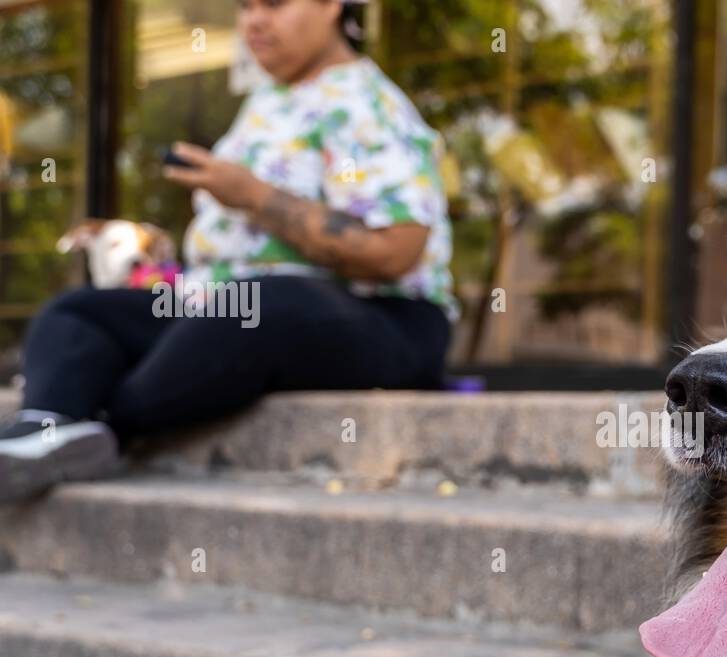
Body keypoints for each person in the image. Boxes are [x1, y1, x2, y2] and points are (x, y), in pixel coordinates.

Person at [0, 0, 456, 502]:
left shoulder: (371, 105)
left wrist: (254, 196)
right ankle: (47, 424)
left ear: (332, 6)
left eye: (275, 4)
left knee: (262, 305)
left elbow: (397, 253)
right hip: (220, 304)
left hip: (380, 318)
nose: (254, 20)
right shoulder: (268, 100)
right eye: (244, 6)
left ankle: (99, 420)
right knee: (78, 310)